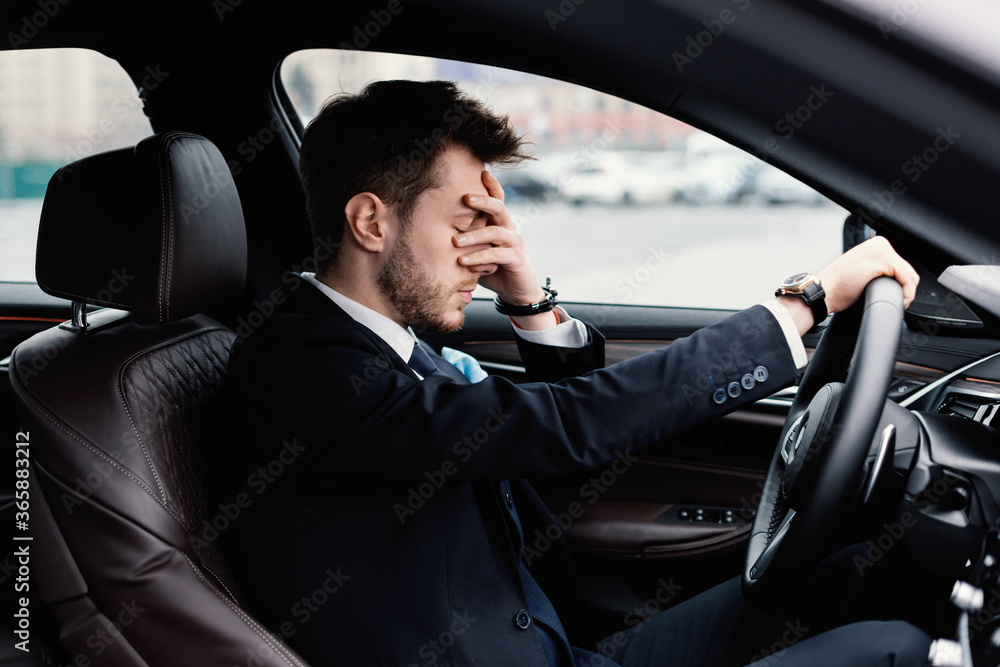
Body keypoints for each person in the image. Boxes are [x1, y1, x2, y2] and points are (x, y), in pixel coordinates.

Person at [217, 79, 932, 666]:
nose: (487, 246)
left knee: (853, 571)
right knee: (895, 650)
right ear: (372, 223)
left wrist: (527, 299)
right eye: (467, 221)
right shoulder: (304, 372)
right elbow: (567, 425)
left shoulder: (391, 344)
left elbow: (534, 437)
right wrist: (803, 304)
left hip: (567, 652)